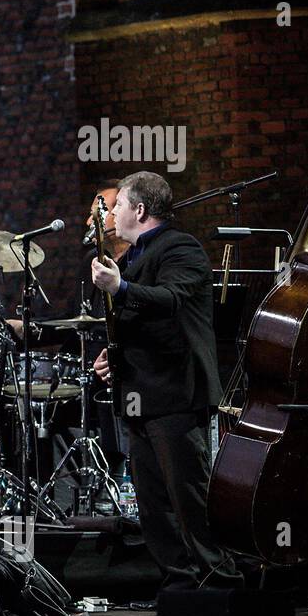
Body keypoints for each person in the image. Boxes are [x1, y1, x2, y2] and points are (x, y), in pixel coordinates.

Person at [91, 171, 242, 590]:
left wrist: (119, 287)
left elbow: (170, 301)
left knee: (189, 499)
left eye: (118, 205)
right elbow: (136, 320)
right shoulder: (132, 256)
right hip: (140, 395)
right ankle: (180, 586)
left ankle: (222, 584)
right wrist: (113, 354)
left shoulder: (181, 248)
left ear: (139, 210)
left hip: (176, 393)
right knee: (153, 506)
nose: (112, 214)